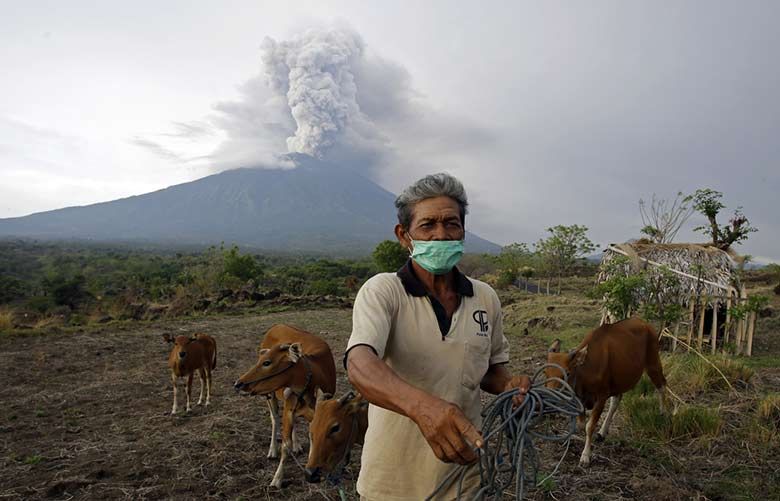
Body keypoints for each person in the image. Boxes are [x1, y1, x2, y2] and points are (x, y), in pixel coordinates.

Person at [345, 173, 531, 500]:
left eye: (451, 224)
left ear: (463, 231)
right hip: (391, 480)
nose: (441, 235)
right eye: (428, 225)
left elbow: (487, 368)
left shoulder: (485, 297)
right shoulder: (384, 290)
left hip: (464, 476)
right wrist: (422, 407)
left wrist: (509, 386)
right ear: (404, 236)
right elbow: (360, 363)